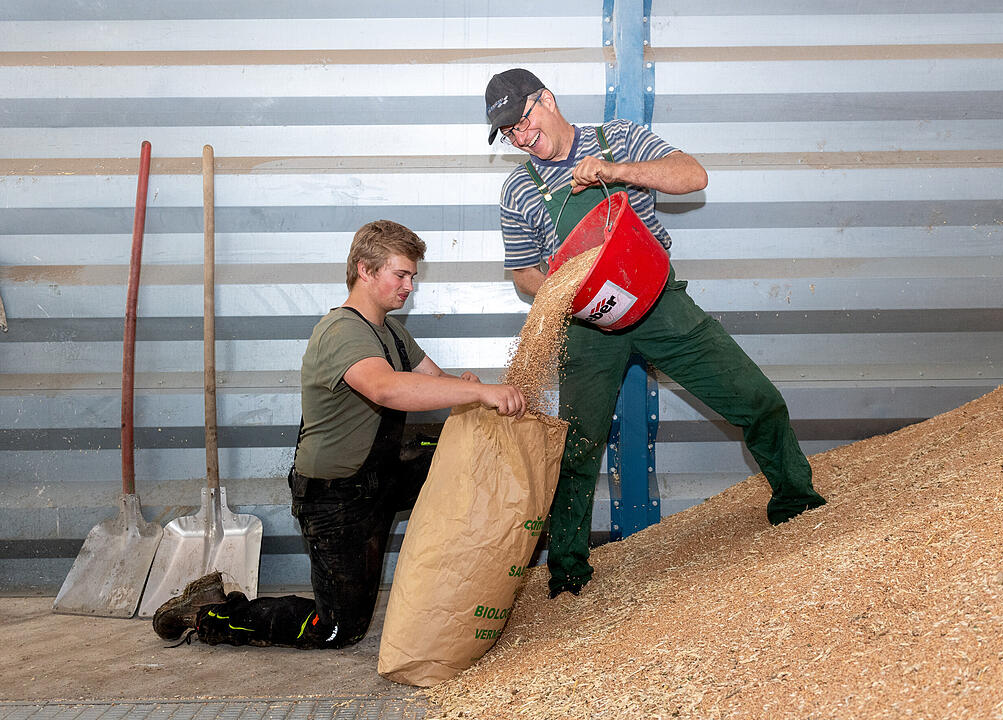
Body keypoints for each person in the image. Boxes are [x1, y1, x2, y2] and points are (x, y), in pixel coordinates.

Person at [485, 68, 826, 599]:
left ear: (546, 99)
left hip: (657, 304)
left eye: (523, 122)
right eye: (509, 134)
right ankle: (568, 570)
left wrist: (618, 172)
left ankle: (797, 503)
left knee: (755, 398)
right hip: (589, 324)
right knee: (575, 451)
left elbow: (693, 175)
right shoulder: (518, 190)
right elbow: (525, 273)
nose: (522, 139)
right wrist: (567, 287)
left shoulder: (615, 138)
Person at [153, 219, 526, 648]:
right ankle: (211, 614)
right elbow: (387, 389)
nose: (409, 286)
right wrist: (478, 393)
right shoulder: (342, 331)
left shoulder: (391, 331)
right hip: (337, 499)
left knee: (459, 451)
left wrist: (475, 391)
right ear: (366, 271)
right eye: (400, 274)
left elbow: (434, 383)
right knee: (337, 629)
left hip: (381, 478)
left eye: (412, 277)